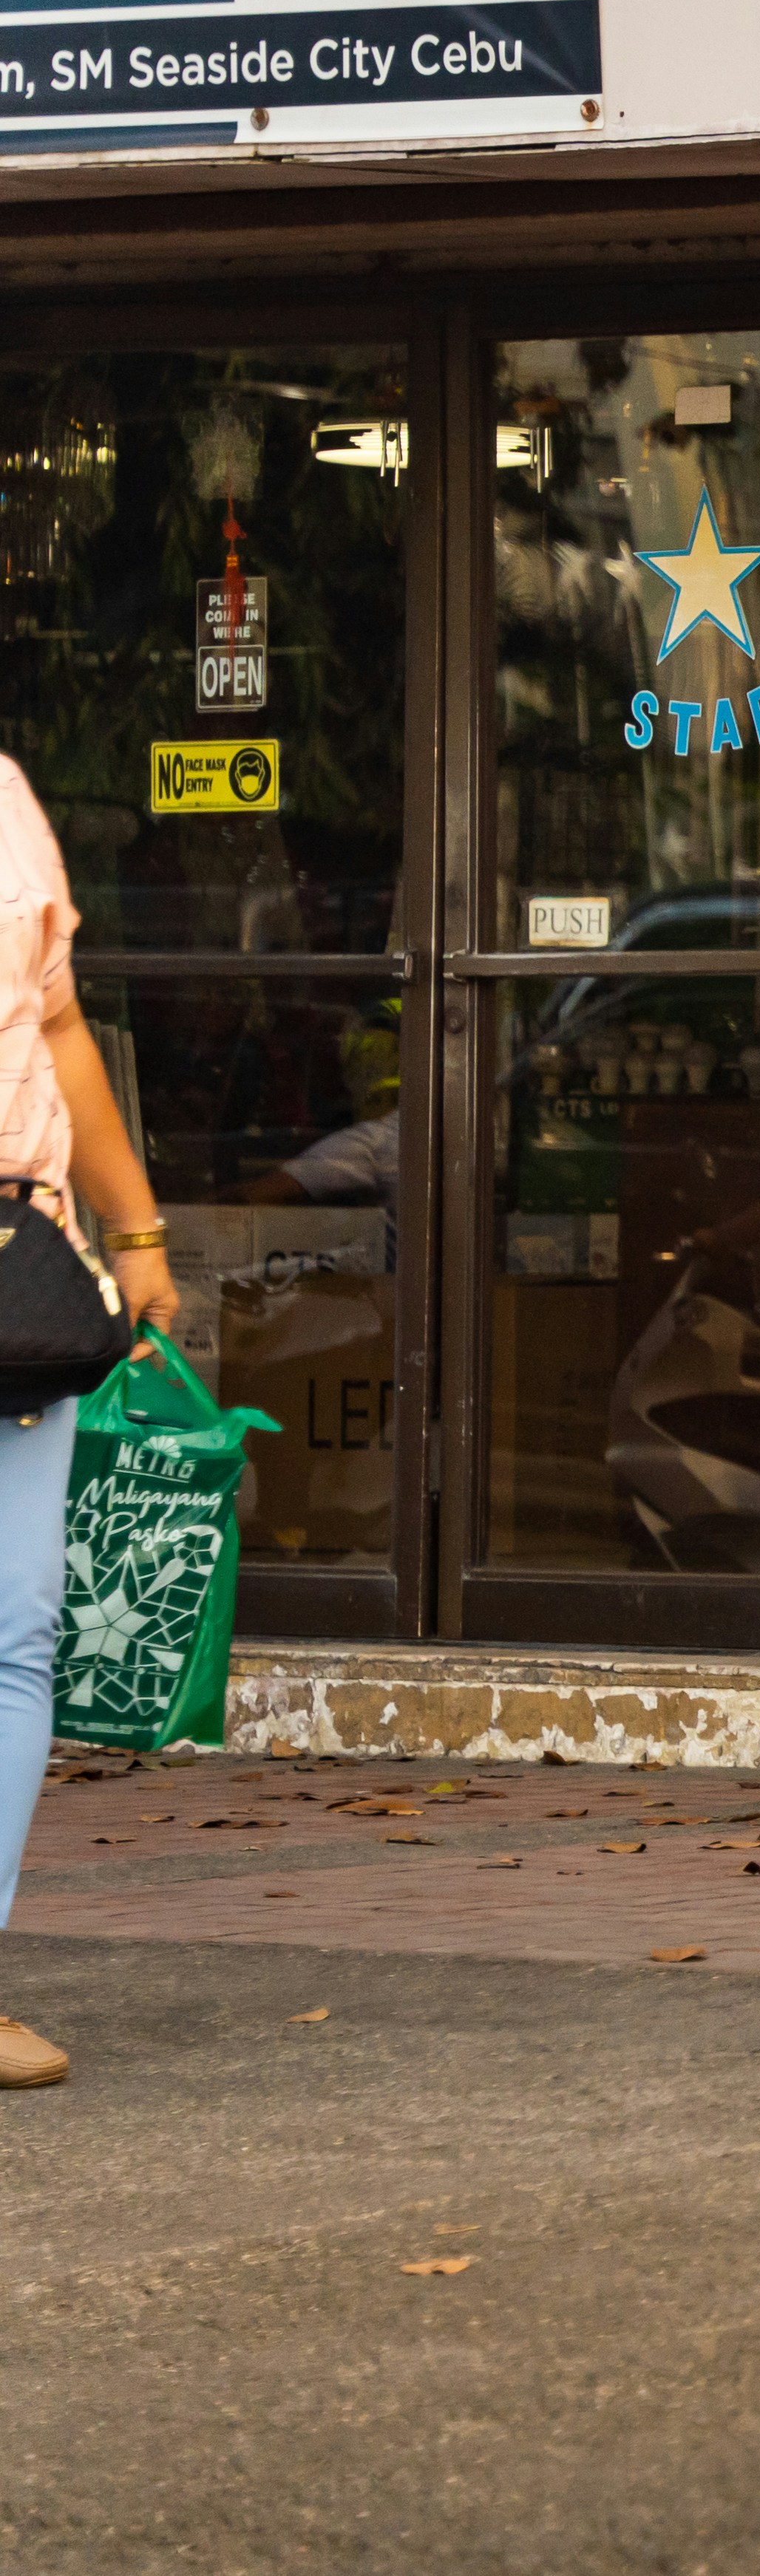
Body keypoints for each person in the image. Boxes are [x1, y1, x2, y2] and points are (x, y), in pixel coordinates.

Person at [0, 753, 176, 2091]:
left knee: (15, 1629)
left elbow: (58, 1032)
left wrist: (136, 1227)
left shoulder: (5, 801)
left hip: (21, 1261)